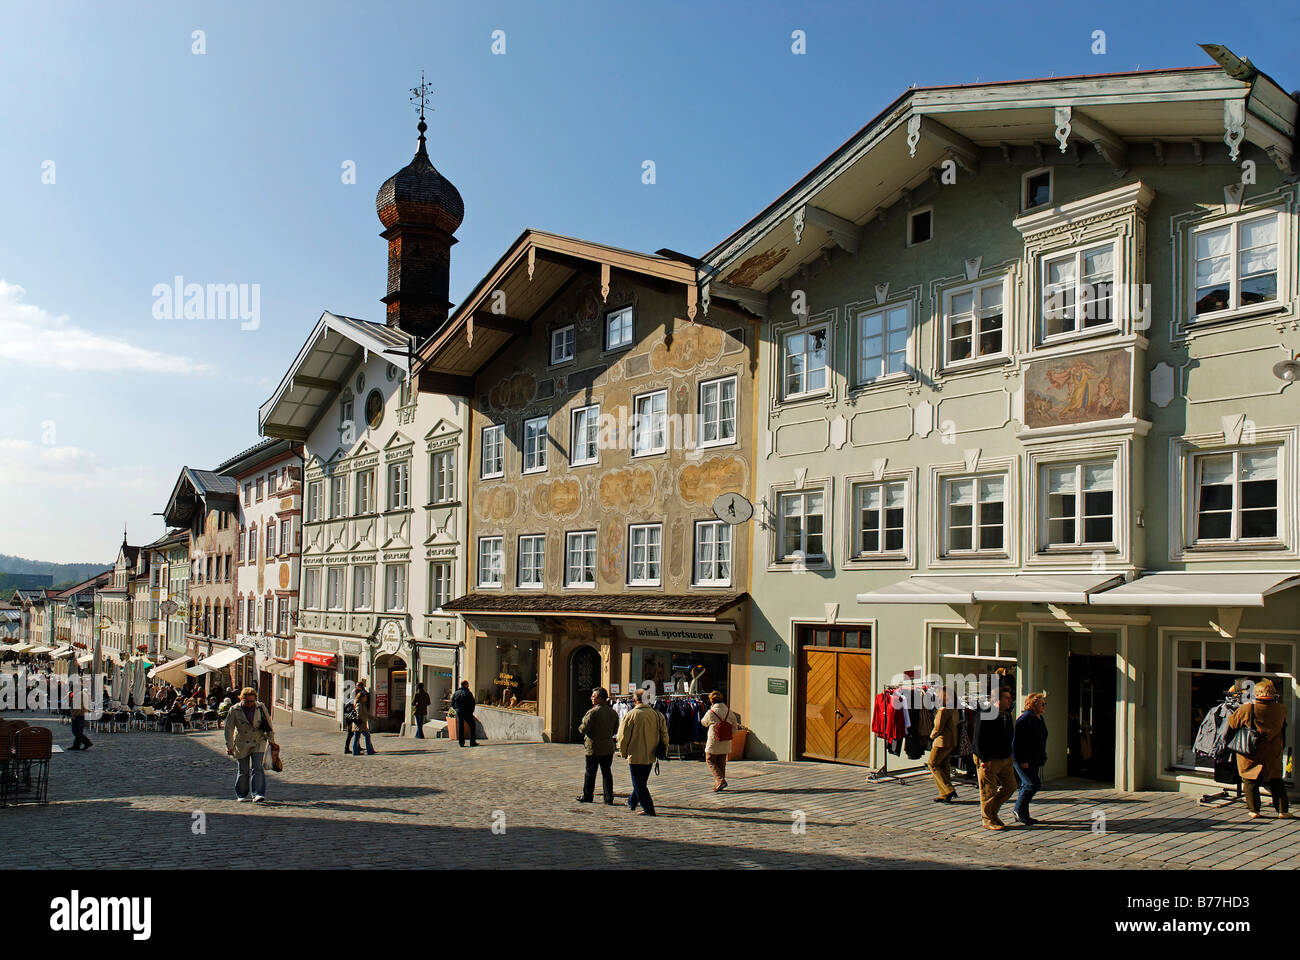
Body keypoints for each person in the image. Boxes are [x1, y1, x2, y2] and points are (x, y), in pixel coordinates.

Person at [1225, 679, 1292, 820]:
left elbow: (1232, 722)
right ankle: (1282, 810)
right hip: (1272, 750)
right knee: (1276, 780)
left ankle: (1254, 810)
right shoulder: (1281, 709)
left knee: (1250, 780)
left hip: (1251, 750)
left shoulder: (1248, 708)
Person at [616, 688, 669, 816]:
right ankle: (632, 801)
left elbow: (623, 736)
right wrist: (664, 750)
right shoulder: (657, 715)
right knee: (641, 781)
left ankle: (648, 808)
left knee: (638, 783)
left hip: (635, 754)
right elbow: (665, 735)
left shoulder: (631, 715)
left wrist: (623, 752)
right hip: (651, 754)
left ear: (634, 700)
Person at [974, 686, 1018, 831]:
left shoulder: (1006, 715)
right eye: (1007, 698)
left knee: (1011, 786)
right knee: (988, 791)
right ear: (996, 700)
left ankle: (992, 813)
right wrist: (984, 758)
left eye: (1010, 698)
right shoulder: (986, 713)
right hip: (989, 759)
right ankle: (987, 819)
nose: (1010, 700)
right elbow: (978, 739)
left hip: (1005, 757)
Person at [223, 686, 275, 802]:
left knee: (257, 768)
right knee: (243, 770)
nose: (250, 704)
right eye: (247, 701)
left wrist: (272, 740)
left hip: (258, 740)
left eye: (252, 701)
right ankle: (241, 794)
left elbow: (268, 723)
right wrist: (229, 746)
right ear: (241, 699)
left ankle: (258, 793)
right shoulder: (234, 710)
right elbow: (229, 729)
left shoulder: (260, 707)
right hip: (242, 742)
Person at [576, 687, 619, 804]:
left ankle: (587, 795)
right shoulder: (613, 712)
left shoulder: (593, 712)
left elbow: (583, 729)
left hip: (593, 747)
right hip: (608, 747)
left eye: (593, 696)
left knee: (590, 773)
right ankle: (608, 797)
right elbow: (616, 729)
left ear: (600, 699)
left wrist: (581, 728)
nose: (591, 698)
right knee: (607, 773)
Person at [1012, 692, 1049, 826]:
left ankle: (1023, 814)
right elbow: (1018, 743)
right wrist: (1022, 760)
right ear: (1032, 705)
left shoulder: (1039, 718)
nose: (1044, 706)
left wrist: (1043, 756)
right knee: (1031, 784)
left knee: (1027, 784)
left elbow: (1041, 739)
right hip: (1023, 759)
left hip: (1035, 758)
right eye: (1042, 703)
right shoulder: (1024, 719)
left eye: (1045, 703)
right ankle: (1018, 810)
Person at [700, 691, 738, 792]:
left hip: (714, 740)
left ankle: (720, 780)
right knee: (721, 762)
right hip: (726, 741)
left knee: (710, 760)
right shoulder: (729, 711)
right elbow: (735, 726)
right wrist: (729, 734)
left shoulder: (711, 712)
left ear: (711, 701)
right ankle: (718, 783)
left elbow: (703, 722)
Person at [927, 686, 959, 803]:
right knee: (944, 766)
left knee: (933, 764)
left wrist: (931, 736)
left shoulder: (943, 710)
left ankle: (948, 790)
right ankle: (944, 794)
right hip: (952, 741)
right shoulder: (954, 709)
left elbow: (938, 727)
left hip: (942, 741)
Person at [351, 678, 376, 755]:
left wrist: (372, 718)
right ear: (361, 698)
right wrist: (363, 718)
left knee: (357, 737)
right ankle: (369, 751)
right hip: (360, 723)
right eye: (365, 697)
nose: (366, 698)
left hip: (359, 723)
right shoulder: (359, 704)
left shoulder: (362, 704)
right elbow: (359, 714)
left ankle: (355, 751)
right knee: (367, 736)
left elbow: (366, 713)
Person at [450, 680, 478, 747]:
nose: (468, 686)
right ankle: (472, 741)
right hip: (467, 712)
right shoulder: (468, 693)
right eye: (467, 684)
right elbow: (472, 703)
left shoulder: (456, 693)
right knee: (472, 725)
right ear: (465, 685)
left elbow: (453, 702)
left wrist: (456, 709)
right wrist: (471, 711)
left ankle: (461, 742)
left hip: (459, 712)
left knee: (461, 726)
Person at [69, 677, 93, 751]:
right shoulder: (82, 694)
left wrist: (74, 715)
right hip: (83, 714)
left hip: (79, 715)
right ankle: (76, 745)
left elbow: (78, 707)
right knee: (79, 731)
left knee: (75, 731)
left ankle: (87, 742)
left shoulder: (79, 695)